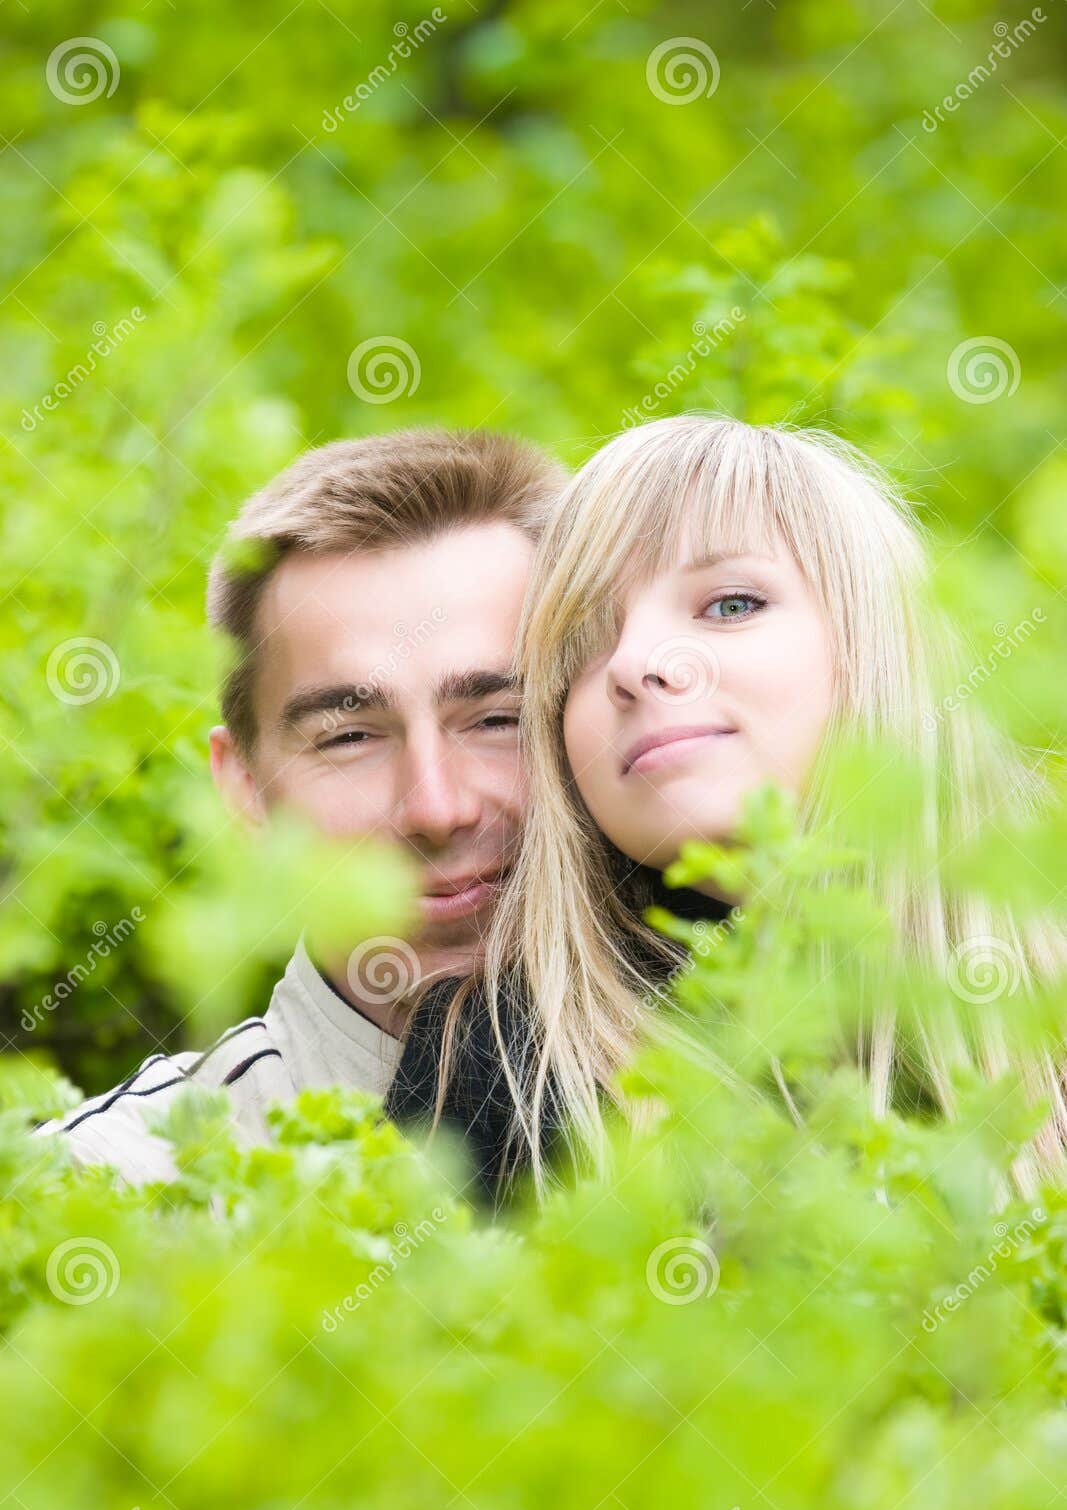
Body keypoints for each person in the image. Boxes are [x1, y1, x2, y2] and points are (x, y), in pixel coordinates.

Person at [393, 414, 1067, 1198]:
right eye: (581, 647)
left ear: (875, 644)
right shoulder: (496, 1056)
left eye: (730, 604)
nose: (636, 663)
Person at [36, 427, 566, 1192]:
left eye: (496, 718)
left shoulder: (770, 1092)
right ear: (245, 789)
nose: (436, 807)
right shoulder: (107, 1195)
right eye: (349, 736)